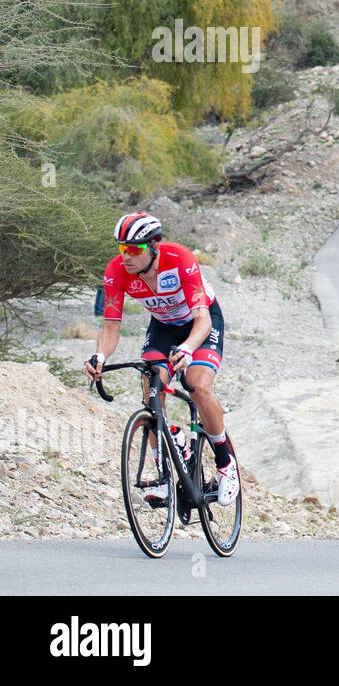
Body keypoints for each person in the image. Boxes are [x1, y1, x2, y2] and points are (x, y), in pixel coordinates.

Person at [84, 213, 239, 506]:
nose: (126, 256)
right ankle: (164, 474)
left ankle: (225, 463)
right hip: (164, 327)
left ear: (154, 246)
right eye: (121, 249)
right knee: (151, 384)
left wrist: (189, 349)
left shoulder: (179, 259)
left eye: (134, 249)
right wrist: (100, 356)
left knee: (197, 385)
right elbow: (110, 327)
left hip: (201, 324)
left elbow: (202, 319)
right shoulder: (116, 272)